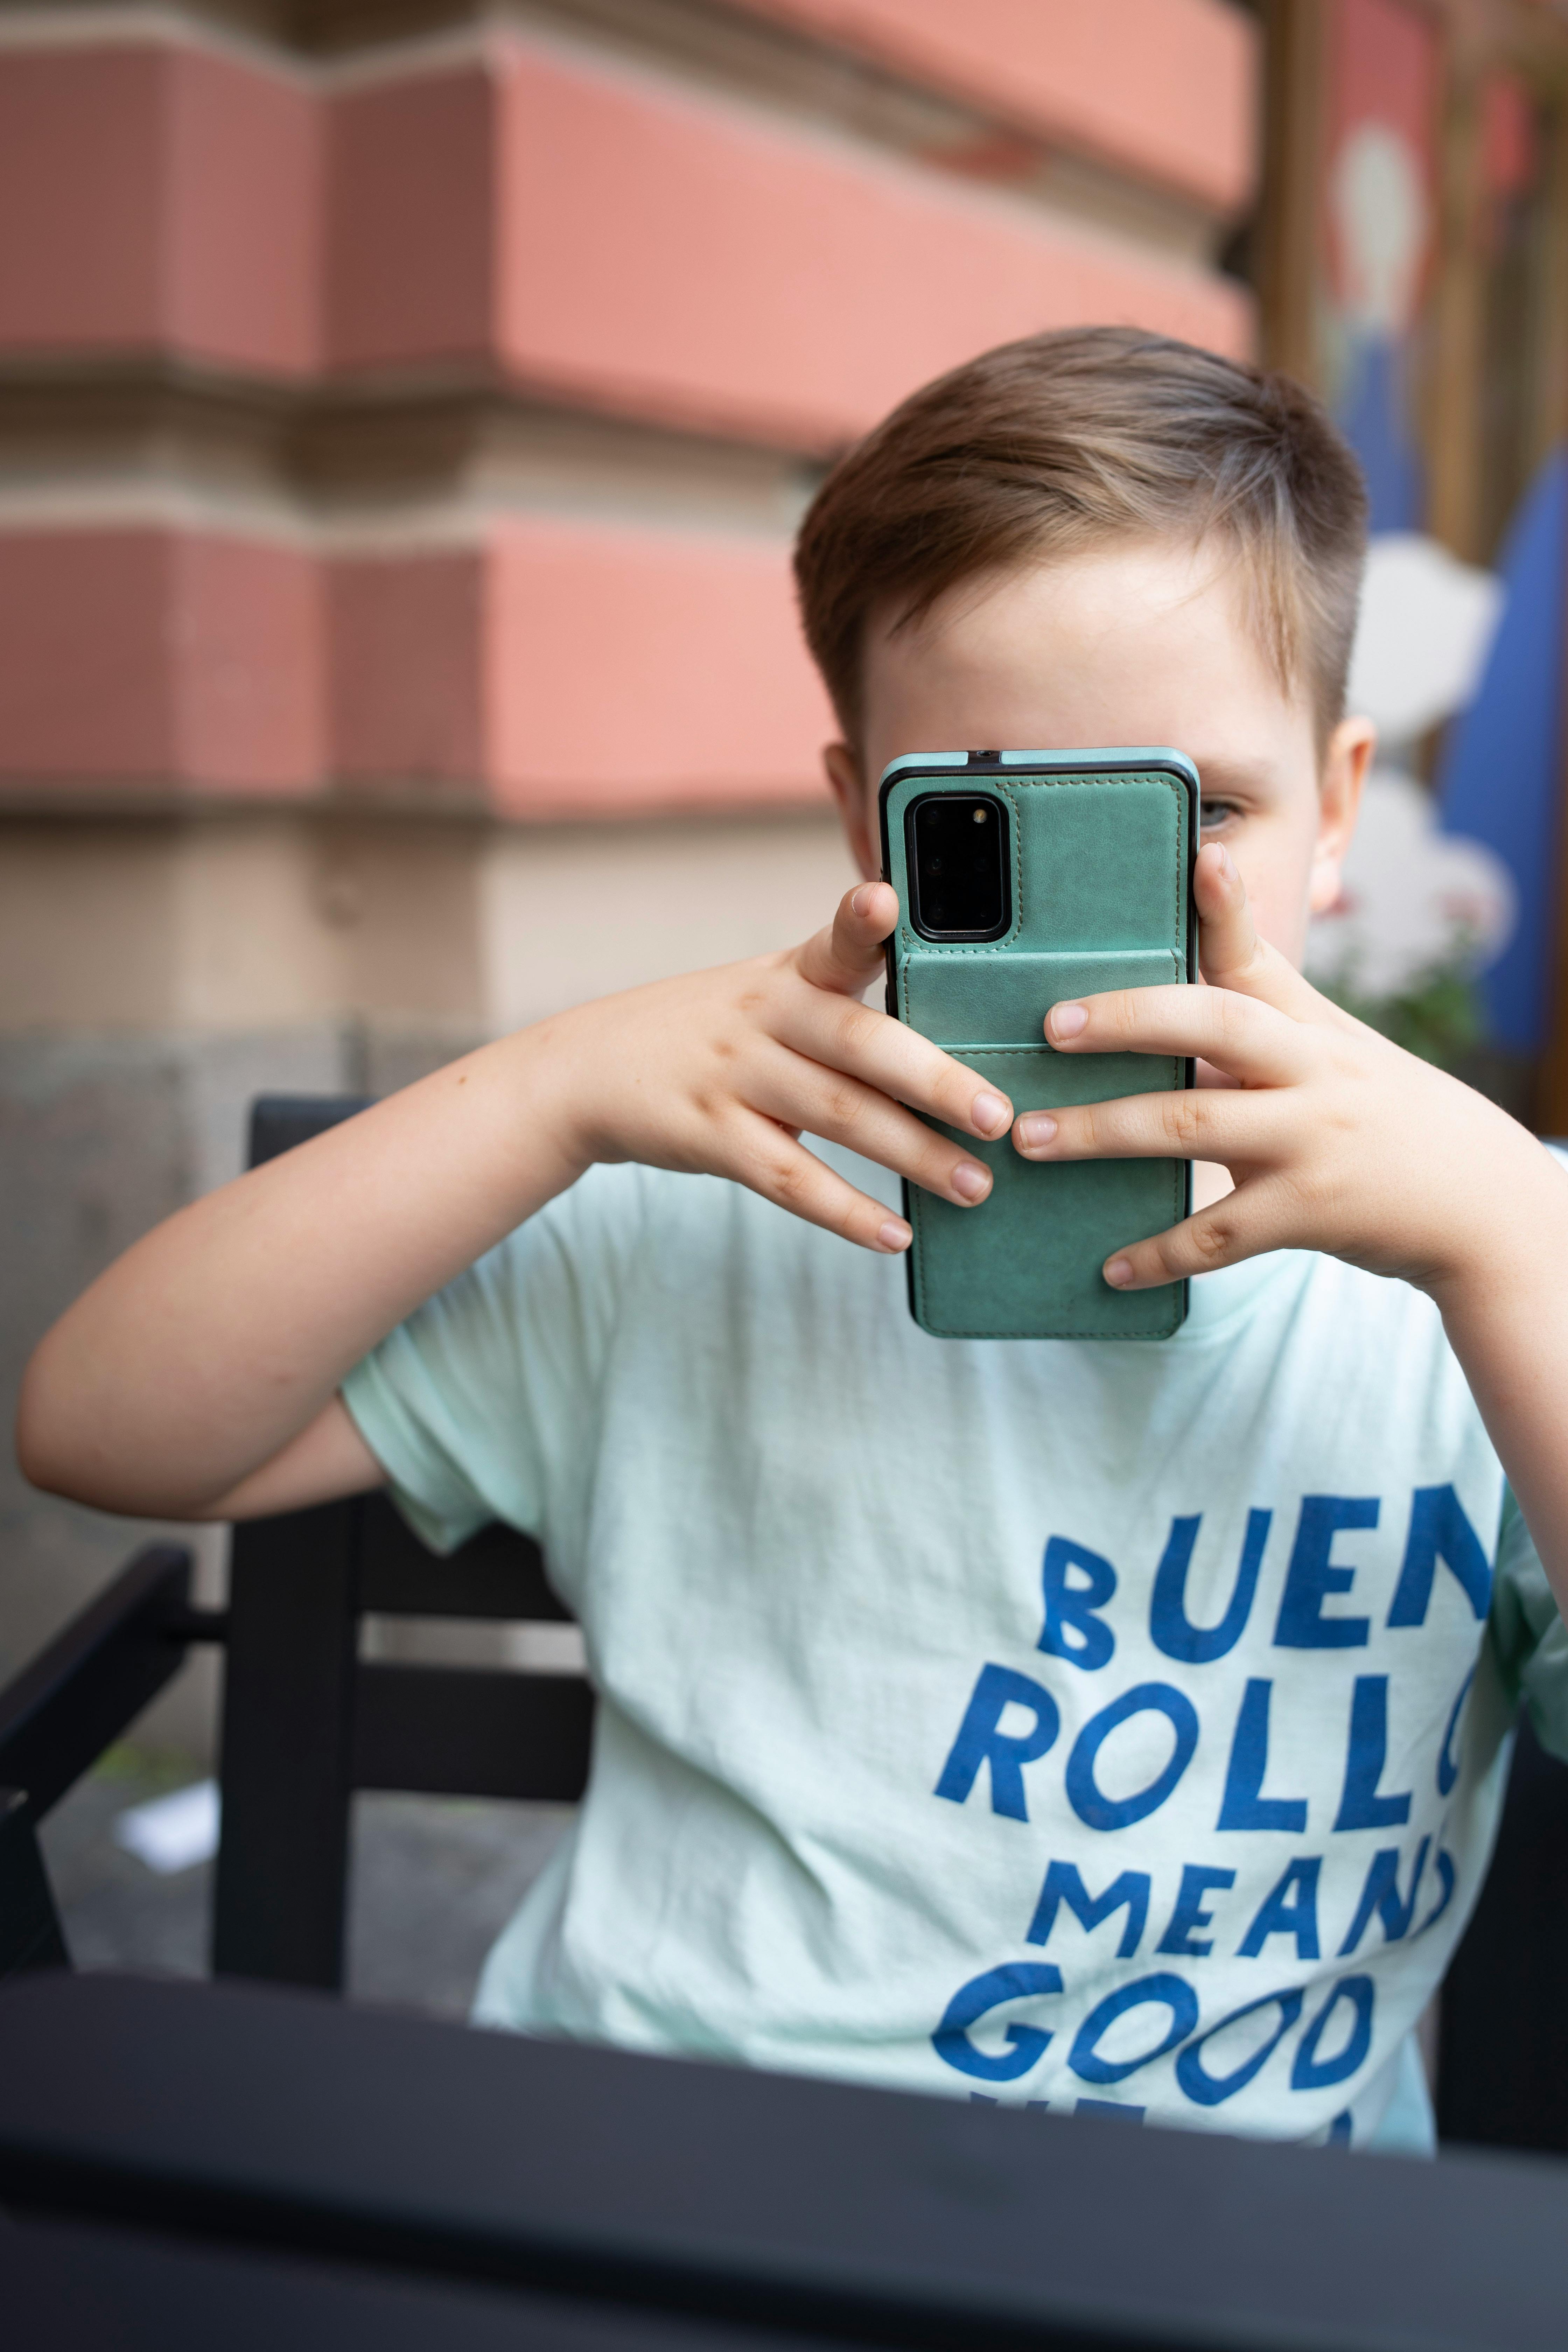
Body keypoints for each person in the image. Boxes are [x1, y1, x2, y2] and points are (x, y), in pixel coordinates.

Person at [19, 328, 1568, 2154]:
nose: (1119, 923)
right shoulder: (678, 1218)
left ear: (1339, 806)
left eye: (1198, 811)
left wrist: (1509, 1245)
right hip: (678, 2197)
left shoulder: (1497, 1271)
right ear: (865, 819)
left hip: (1236, 2265)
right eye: (1000, 817)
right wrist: (547, 1095)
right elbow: (103, 1426)